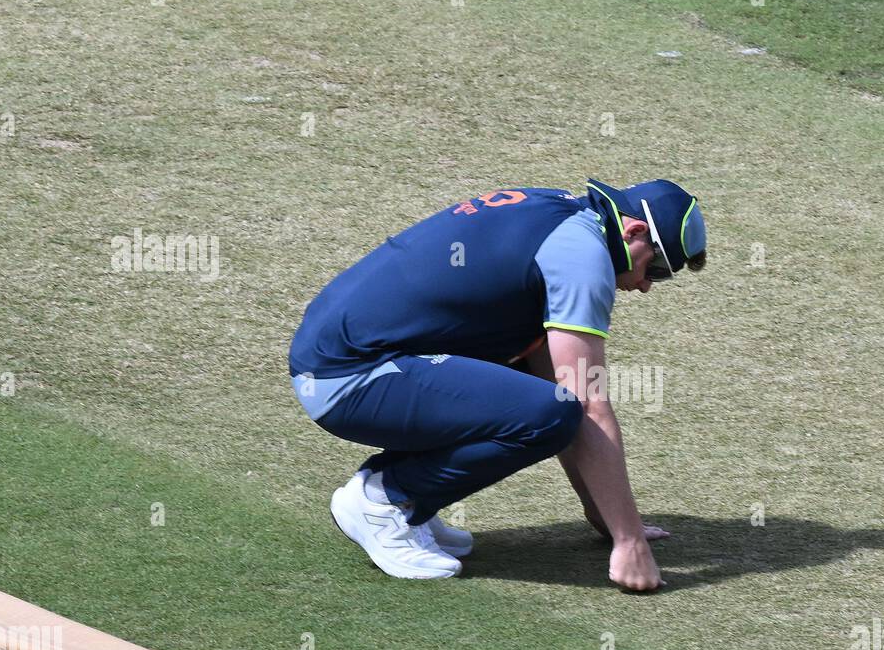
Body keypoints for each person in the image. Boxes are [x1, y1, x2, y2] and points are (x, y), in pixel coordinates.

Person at [288, 179, 707, 591]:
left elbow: (547, 377)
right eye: (656, 267)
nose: (648, 285)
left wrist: (604, 514)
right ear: (633, 231)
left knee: (542, 398)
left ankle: (410, 497)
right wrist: (629, 541)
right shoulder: (584, 257)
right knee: (552, 411)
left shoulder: (556, 210)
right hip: (349, 376)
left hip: (339, 355)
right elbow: (586, 403)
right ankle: (386, 499)